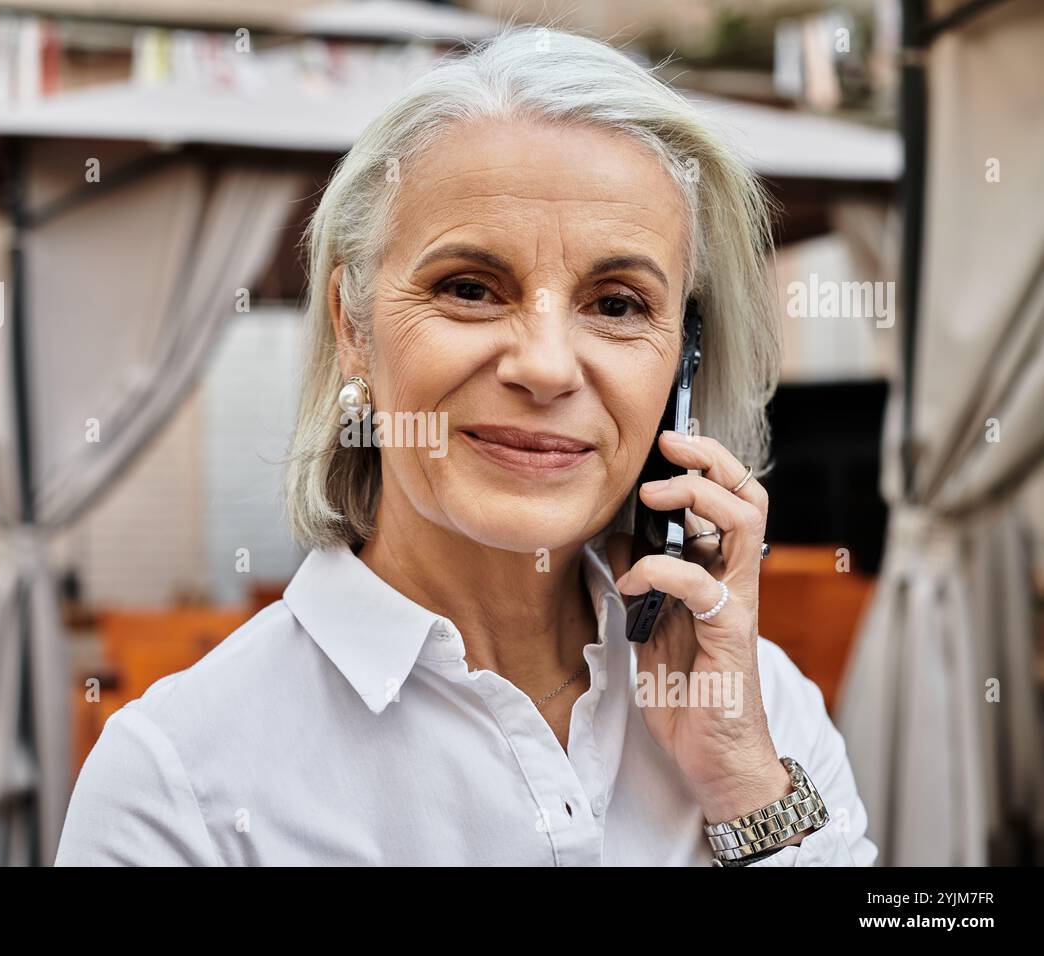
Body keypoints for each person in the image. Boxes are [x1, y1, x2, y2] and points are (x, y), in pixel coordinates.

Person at [56, 26, 878, 867]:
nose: (547, 367)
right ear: (354, 326)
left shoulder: (756, 698)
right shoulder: (175, 784)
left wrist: (743, 784)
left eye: (620, 304)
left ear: (682, 364)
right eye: (471, 289)